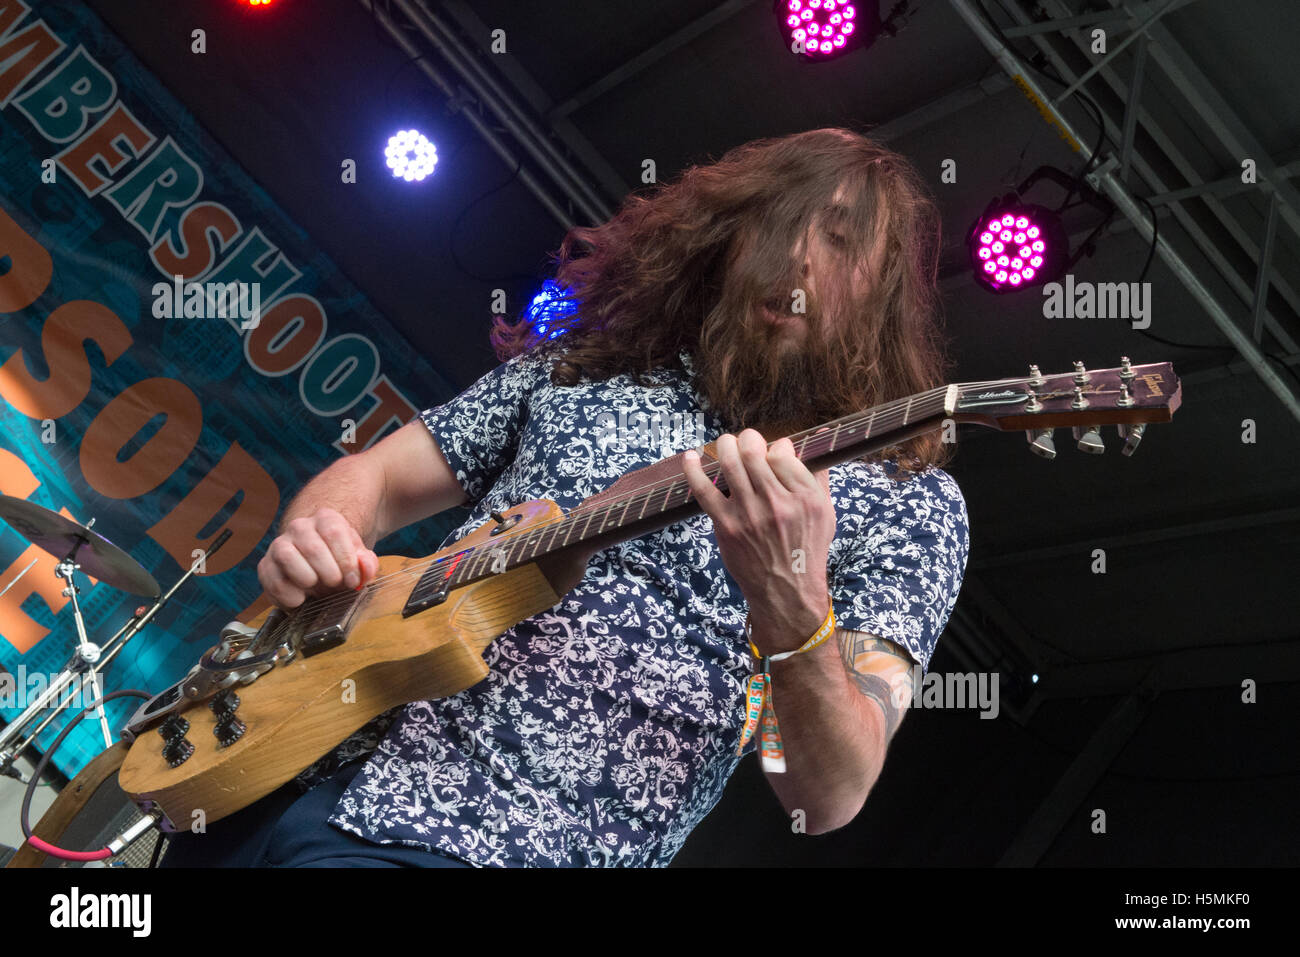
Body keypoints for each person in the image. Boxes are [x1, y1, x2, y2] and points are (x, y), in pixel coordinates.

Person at [160, 127, 970, 868]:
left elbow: (829, 792)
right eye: (776, 222)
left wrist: (791, 601)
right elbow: (379, 474)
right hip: (289, 756)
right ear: (728, 237)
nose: (796, 257)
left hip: (489, 843)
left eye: (834, 238)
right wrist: (319, 528)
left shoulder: (906, 499)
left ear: (883, 285)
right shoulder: (591, 364)